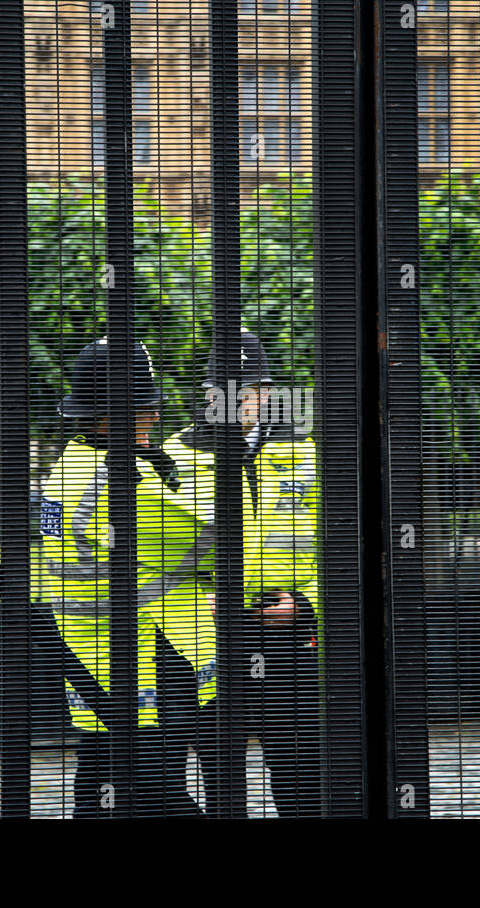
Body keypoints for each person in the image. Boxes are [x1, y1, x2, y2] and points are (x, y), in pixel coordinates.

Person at [39, 337, 216, 817]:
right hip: (131, 667)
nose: (156, 417)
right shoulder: (109, 478)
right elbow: (207, 545)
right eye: (145, 407)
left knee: (101, 783)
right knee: (156, 792)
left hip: (103, 664)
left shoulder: (74, 466)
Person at [166, 328, 321, 818]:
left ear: (269, 393)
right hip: (211, 636)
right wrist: (193, 605)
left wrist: (307, 605)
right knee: (220, 772)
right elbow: (155, 551)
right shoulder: (177, 453)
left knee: (299, 770)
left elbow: (334, 546)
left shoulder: (306, 450)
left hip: (287, 631)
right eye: (225, 390)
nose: (239, 402)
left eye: (250, 390)